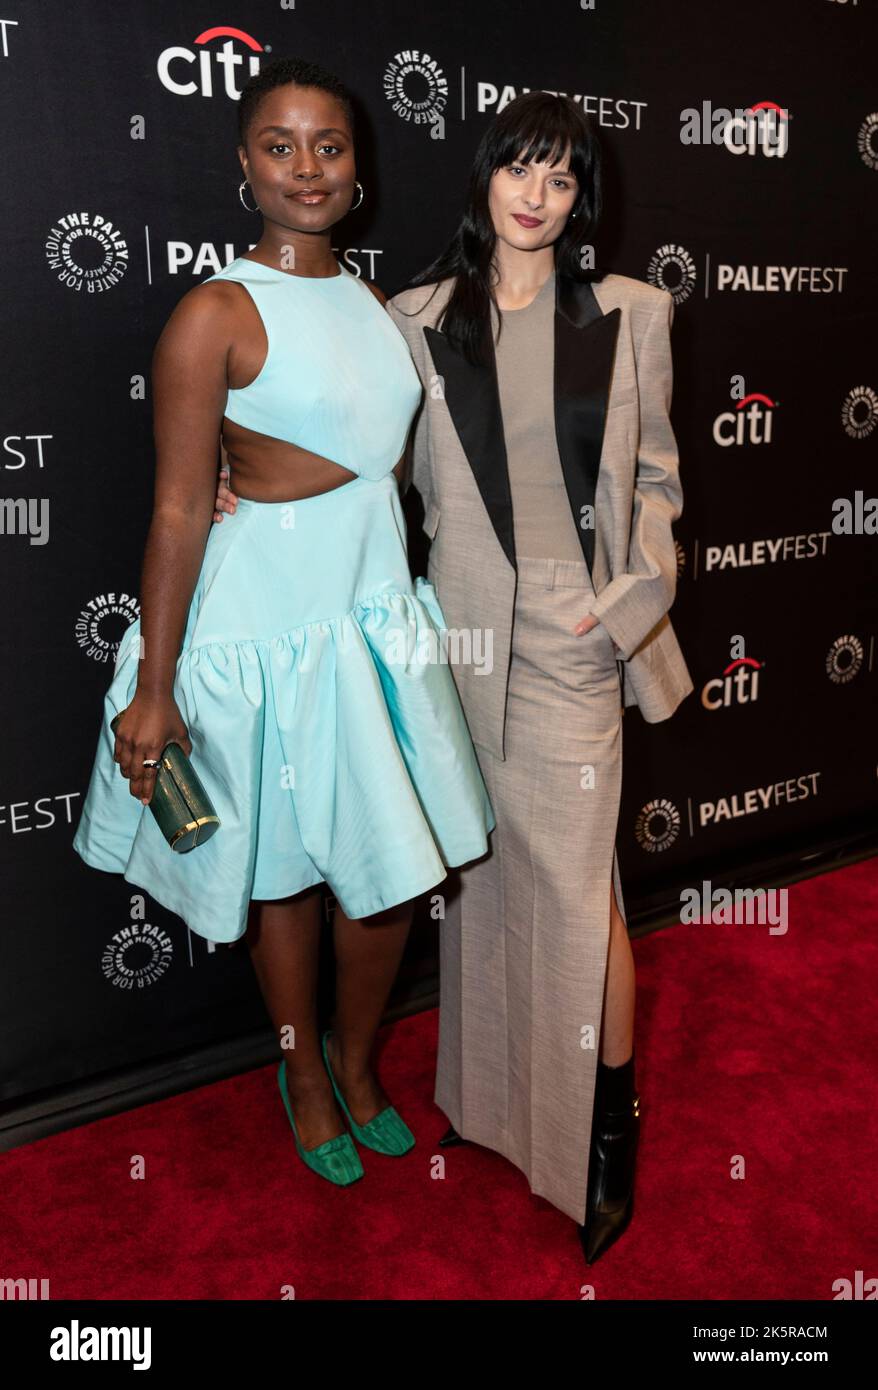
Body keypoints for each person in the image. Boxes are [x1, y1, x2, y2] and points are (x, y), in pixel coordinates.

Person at [216, 91, 694, 1260]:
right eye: (517, 170)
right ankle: (487, 1107)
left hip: (578, 650)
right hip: (458, 649)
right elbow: (354, 446)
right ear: (483, 178)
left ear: (583, 201)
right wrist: (249, 490)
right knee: (476, 890)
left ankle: (603, 1131)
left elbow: (658, 485)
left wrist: (618, 606)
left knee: (583, 902)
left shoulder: (632, 312)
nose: (535, 196)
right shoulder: (415, 319)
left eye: (562, 179)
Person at [72, 58, 495, 1189]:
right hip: (263, 627)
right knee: (283, 874)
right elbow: (174, 506)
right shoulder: (212, 310)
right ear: (242, 166)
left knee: (393, 873)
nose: (305, 167)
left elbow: (384, 465)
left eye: (328, 147)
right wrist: (156, 685)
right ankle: (302, 1070)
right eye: (278, 144)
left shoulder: (374, 305)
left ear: (358, 173)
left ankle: (360, 1063)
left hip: (368, 622)